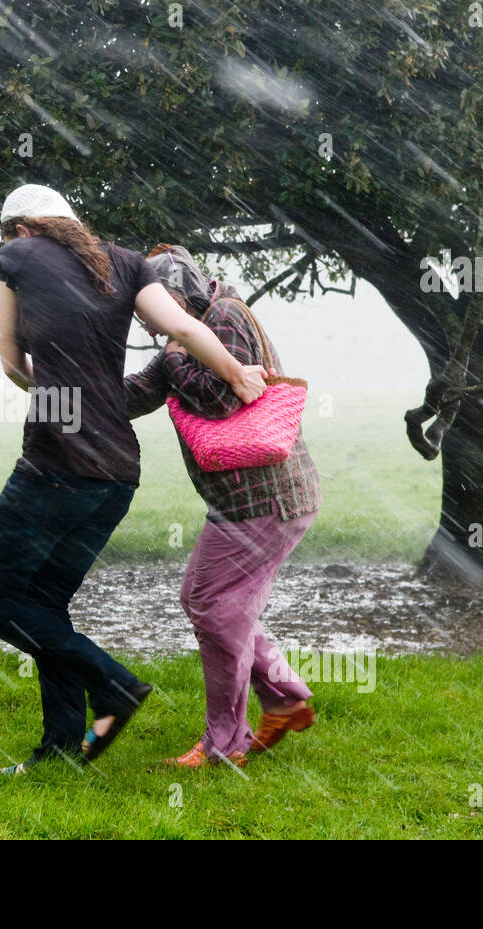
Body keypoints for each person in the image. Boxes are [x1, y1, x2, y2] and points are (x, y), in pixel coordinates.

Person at [0, 188, 269, 775]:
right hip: (117, 474)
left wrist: (57, 401)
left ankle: (114, 686)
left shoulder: (16, 257)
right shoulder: (128, 263)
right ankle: (58, 750)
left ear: (21, 229)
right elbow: (184, 326)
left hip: (55, 464)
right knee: (45, 601)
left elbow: (7, 361)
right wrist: (236, 372)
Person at [124, 244, 322, 768]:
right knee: (205, 599)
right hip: (251, 499)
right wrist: (64, 388)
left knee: (213, 604)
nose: (149, 328)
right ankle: (282, 699)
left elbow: (223, 397)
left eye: (150, 313)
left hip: (264, 498)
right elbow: (141, 392)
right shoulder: (191, 330)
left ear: (177, 294)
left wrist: (172, 355)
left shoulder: (223, 318)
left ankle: (226, 742)